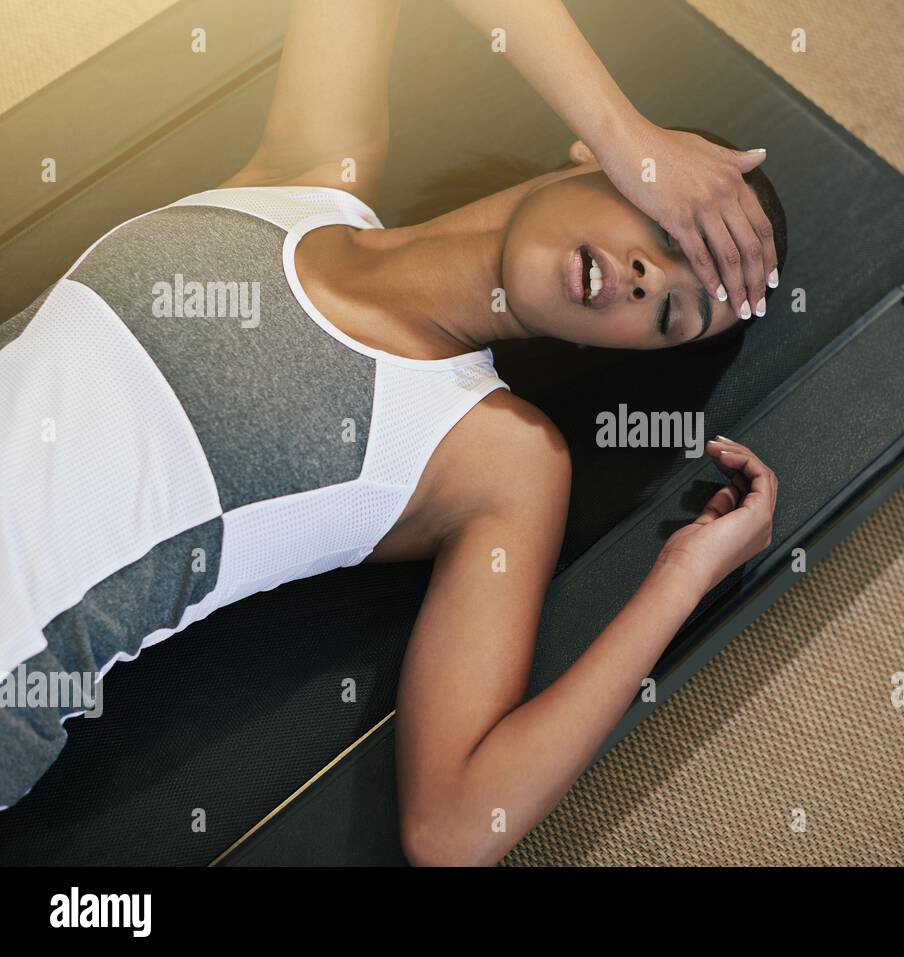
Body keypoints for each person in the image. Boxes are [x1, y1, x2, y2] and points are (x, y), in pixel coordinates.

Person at [0, 0, 786, 866]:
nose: (646, 280)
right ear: (606, 166)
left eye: (674, 311)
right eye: (668, 229)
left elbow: (452, 827)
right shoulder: (305, 175)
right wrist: (621, 125)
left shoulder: (497, 457)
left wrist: (682, 578)